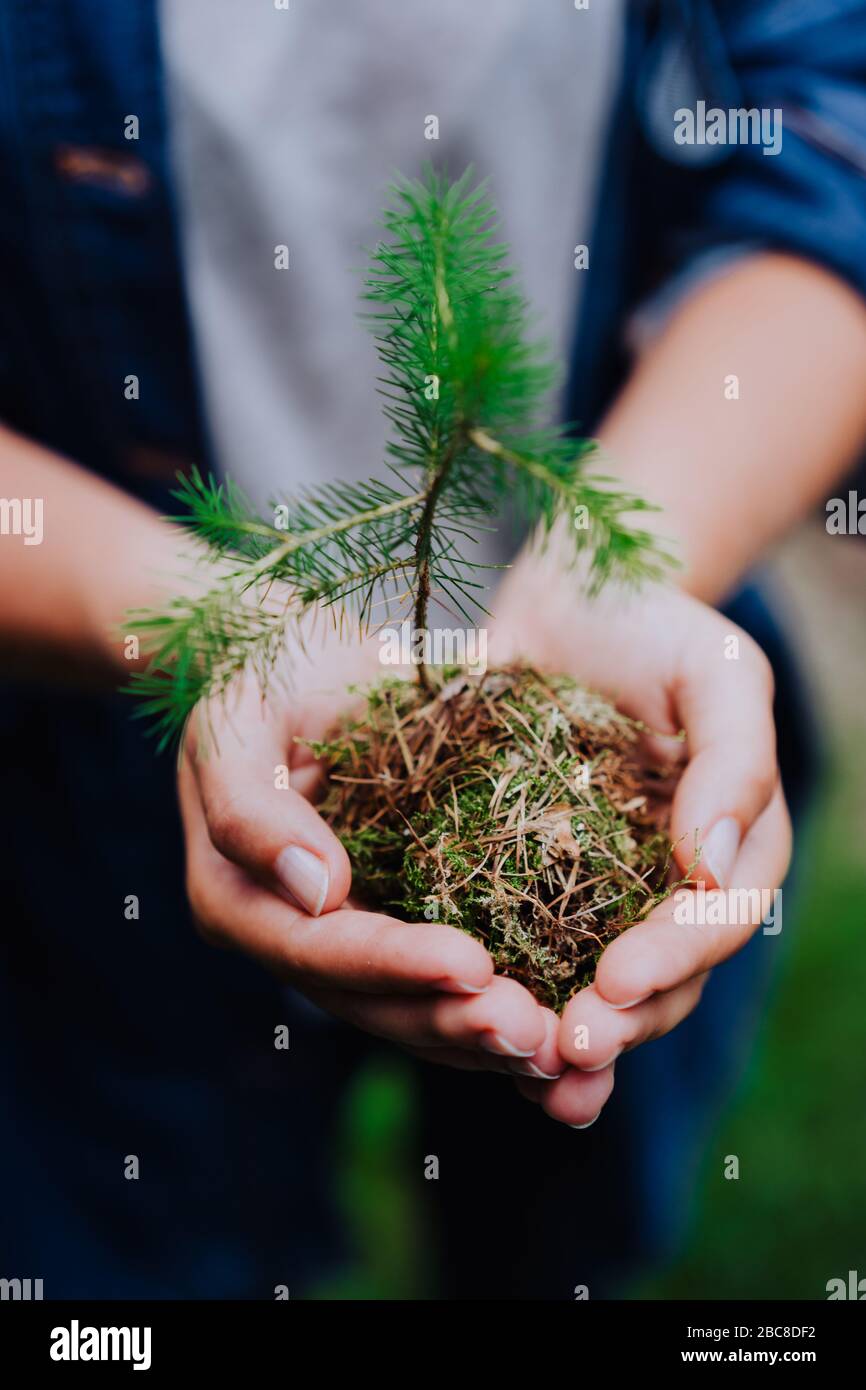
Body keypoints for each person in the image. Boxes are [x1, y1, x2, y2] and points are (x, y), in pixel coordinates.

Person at [1, 0, 864, 1299]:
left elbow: (828, 140)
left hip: (621, 664)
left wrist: (611, 567)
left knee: (562, 1220)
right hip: (85, 772)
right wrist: (218, 621)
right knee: (126, 1255)